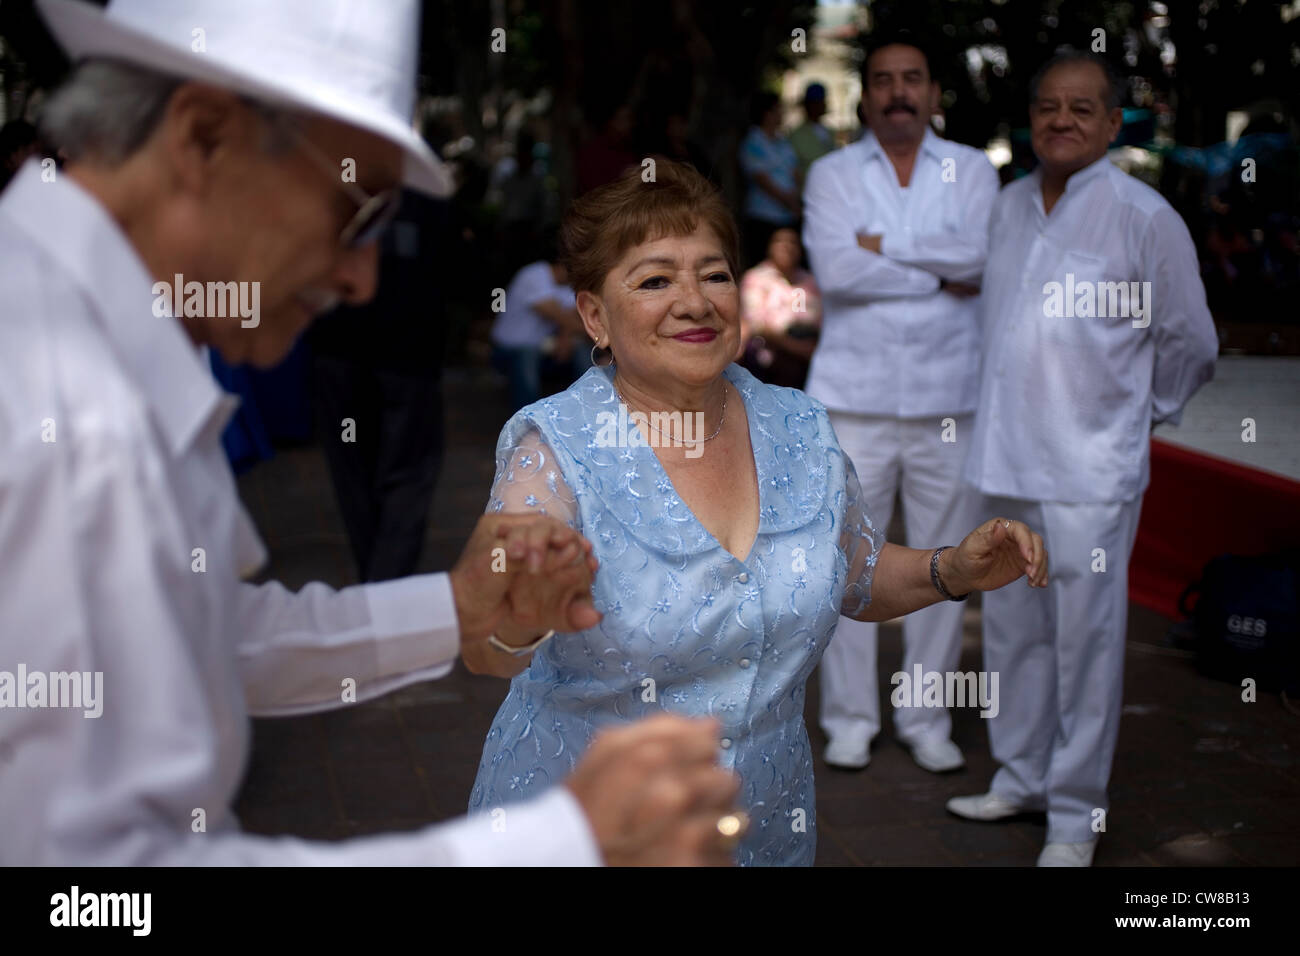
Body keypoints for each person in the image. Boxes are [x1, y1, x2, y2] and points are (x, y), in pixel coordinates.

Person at [0, 0, 741, 866]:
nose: (360, 279)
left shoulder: (87, 346)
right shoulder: (69, 412)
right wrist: (556, 842)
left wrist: (453, 610)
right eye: (356, 214)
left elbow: (196, 633)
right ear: (203, 138)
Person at [467, 160, 1049, 866]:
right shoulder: (555, 448)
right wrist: (523, 609)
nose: (694, 302)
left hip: (764, 825)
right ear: (595, 315)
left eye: (712, 274)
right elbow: (491, 643)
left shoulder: (798, 426)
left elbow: (857, 574)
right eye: (655, 280)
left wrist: (949, 568)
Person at [949, 49, 1219, 866]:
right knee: (1013, 636)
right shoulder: (1005, 205)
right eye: (1047, 107)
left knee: (1086, 646)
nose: (1060, 121)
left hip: (1088, 474)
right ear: (1030, 119)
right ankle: (1021, 777)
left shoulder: (1143, 217)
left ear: (1110, 123)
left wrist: (1143, 413)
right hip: (1004, 463)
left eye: (1081, 109)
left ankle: (1074, 817)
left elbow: (1192, 342)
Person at [802, 31, 1000, 774]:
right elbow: (838, 269)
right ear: (865, 94)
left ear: (933, 92)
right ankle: (850, 717)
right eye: (882, 80)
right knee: (851, 561)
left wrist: (883, 246)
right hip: (853, 396)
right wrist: (931, 268)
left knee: (946, 563)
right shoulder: (831, 172)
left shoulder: (975, 170)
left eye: (911, 78)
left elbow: (980, 259)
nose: (897, 92)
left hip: (951, 396)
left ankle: (926, 716)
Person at [308, 187, 449, 582]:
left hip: (353, 354)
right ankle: (383, 586)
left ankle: (378, 584)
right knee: (402, 476)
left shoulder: (332, 182)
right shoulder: (425, 193)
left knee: (358, 474)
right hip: (399, 358)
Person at [490, 239, 592, 412]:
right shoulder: (534, 275)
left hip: (542, 351)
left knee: (581, 349)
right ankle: (527, 420)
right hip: (507, 351)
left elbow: (572, 317)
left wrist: (565, 337)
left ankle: (589, 406)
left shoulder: (568, 286)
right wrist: (600, 334)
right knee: (526, 354)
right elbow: (557, 314)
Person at [738, 226, 821, 389]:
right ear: (769, 247)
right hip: (766, 352)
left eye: (792, 242)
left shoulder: (810, 281)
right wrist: (794, 347)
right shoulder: (756, 278)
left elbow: (818, 319)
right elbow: (755, 323)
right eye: (780, 241)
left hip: (805, 352)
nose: (786, 246)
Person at [738, 91, 800, 268]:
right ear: (766, 113)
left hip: (787, 217)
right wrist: (790, 201)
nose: (781, 113)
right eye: (778, 109)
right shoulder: (753, 141)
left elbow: (795, 173)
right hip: (763, 217)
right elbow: (762, 180)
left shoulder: (784, 142)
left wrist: (795, 202)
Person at [787, 82, 834, 185]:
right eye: (819, 102)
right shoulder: (796, 135)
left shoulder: (829, 131)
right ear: (810, 105)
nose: (823, 105)